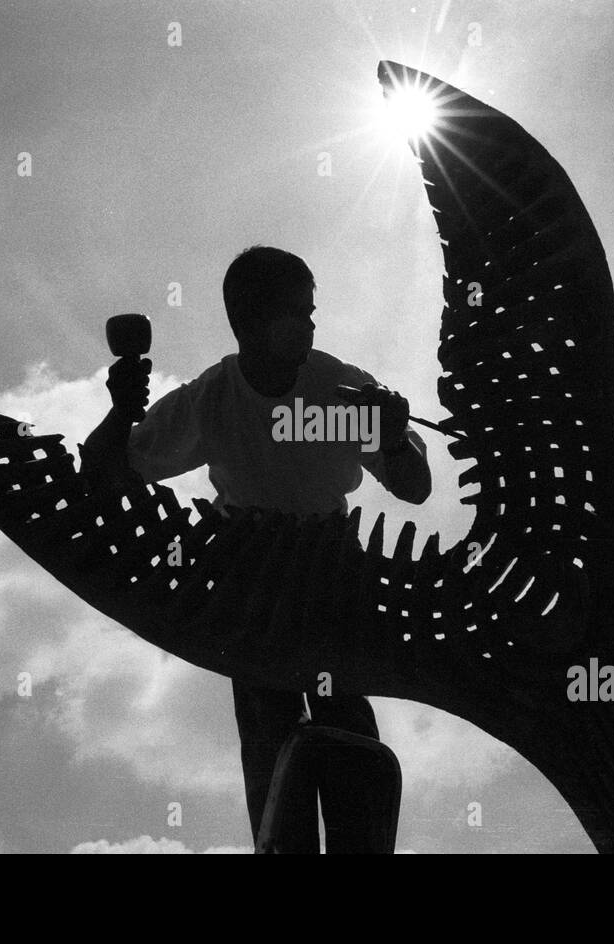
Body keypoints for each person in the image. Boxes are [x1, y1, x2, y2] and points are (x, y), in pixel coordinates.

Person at [79, 245, 431, 852]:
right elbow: (107, 468)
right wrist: (120, 408)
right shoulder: (211, 399)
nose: (312, 323)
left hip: (332, 586)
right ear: (248, 320)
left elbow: (415, 488)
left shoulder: (338, 390)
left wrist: (395, 439)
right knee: (272, 759)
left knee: (348, 742)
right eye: (298, 310)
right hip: (249, 593)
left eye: (311, 310)